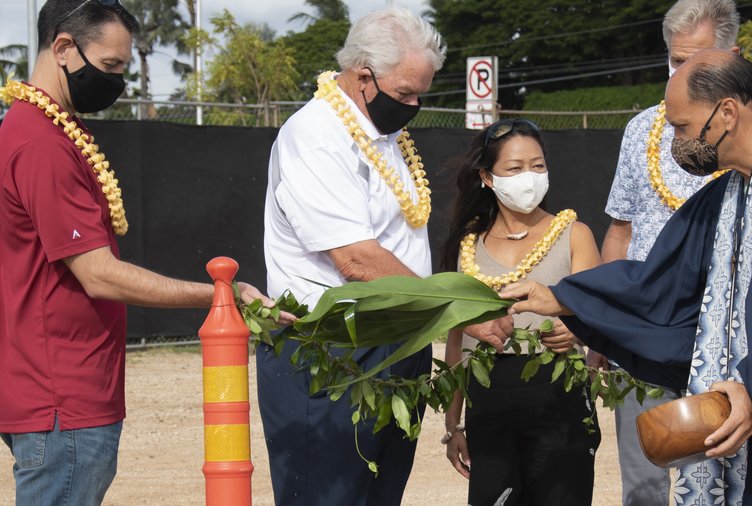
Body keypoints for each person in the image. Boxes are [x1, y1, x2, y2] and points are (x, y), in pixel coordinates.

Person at [501, 50, 752, 505]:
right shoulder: (732, 192)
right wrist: (564, 297)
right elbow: (664, 285)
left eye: (683, 128)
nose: (677, 144)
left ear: (726, 112)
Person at [0, 1, 284, 505]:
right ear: (64, 48)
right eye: (110, 66)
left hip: (61, 390)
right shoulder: (39, 142)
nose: (117, 82)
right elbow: (99, 275)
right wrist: (223, 296)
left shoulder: (49, 130)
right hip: (62, 397)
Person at [257, 8, 511, 505]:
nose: (414, 105)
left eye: (421, 93)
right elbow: (357, 260)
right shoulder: (316, 136)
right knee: (327, 495)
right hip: (331, 350)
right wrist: (458, 310)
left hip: (395, 341)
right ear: (362, 75)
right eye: (405, 94)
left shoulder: (385, 134)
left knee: (379, 493)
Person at [595, 1, 740, 503]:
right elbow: (619, 231)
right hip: (646, 329)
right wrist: (606, 323)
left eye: (697, 60)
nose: (683, 73)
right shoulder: (642, 130)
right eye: (676, 61)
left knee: (729, 473)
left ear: (732, 56)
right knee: (643, 479)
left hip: (726, 334)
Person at [438, 119, 602, 505]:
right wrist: (452, 423)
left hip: (559, 395)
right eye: (514, 168)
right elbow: (458, 341)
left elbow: (599, 314)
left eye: (538, 165)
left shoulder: (574, 234)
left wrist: (578, 332)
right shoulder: (468, 248)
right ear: (488, 177)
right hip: (489, 402)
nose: (529, 177)